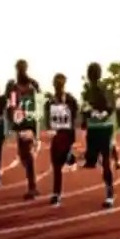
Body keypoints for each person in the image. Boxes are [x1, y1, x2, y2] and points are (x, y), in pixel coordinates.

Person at [81, 62, 117, 208]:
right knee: (91, 160)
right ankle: (101, 158)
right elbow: (84, 108)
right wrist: (87, 115)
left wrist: (102, 113)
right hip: (93, 129)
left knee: (106, 161)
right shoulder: (87, 91)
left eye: (94, 73)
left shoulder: (103, 89)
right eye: (91, 73)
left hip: (104, 128)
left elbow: (110, 106)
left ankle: (109, 194)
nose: (92, 76)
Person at [7, 60, 43, 200]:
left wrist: (36, 126)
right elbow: (12, 106)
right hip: (22, 123)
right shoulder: (15, 88)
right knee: (23, 155)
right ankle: (32, 184)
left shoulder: (32, 86)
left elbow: (38, 104)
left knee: (26, 155)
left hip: (29, 123)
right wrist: (13, 123)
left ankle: (32, 187)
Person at [45, 73, 80, 205]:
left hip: (67, 135)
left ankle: (70, 156)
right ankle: (56, 193)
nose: (58, 86)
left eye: (60, 84)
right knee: (56, 165)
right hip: (56, 135)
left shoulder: (70, 99)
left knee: (61, 160)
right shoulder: (50, 100)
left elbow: (75, 112)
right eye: (56, 83)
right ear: (54, 85)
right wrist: (50, 126)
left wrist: (70, 121)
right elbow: (48, 114)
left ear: (64, 84)